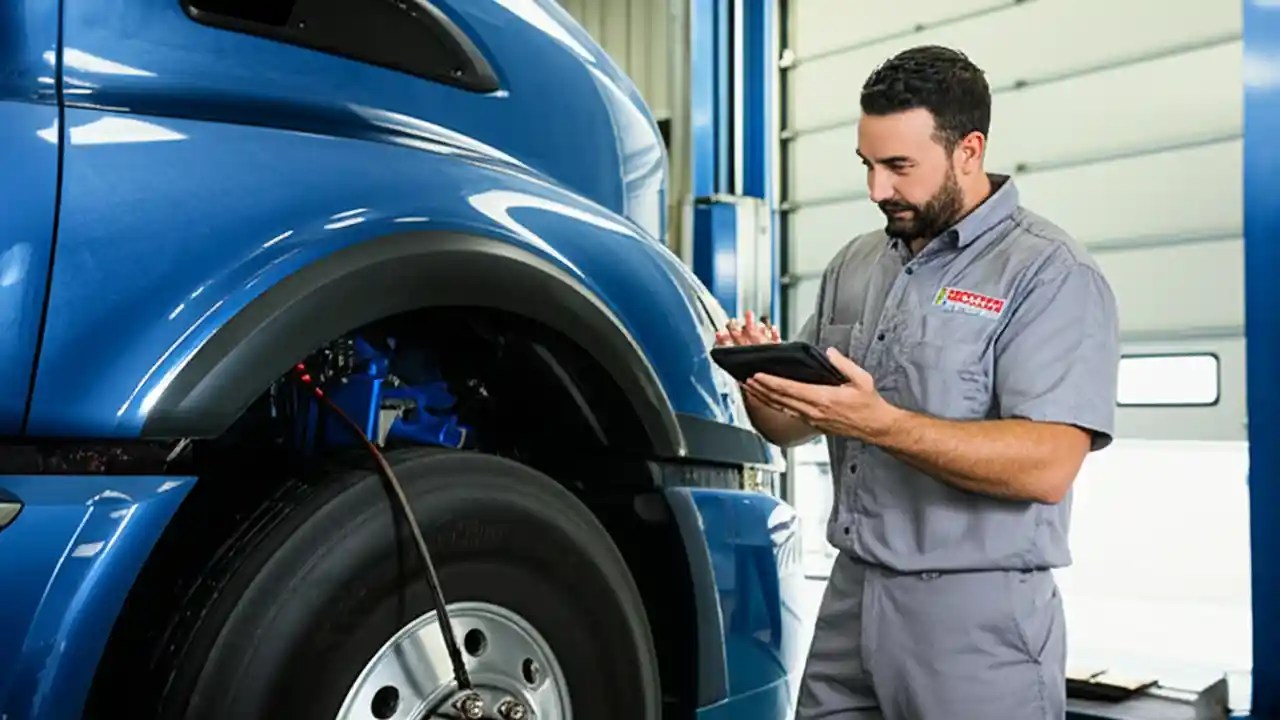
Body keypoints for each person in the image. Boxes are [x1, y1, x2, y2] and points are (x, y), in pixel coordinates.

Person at [715, 45, 1120, 720]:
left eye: (899, 167)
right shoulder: (858, 262)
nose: (877, 190)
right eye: (867, 165)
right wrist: (767, 384)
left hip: (974, 619)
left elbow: (1048, 465)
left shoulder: (1047, 274)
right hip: (851, 599)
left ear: (969, 150)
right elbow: (791, 429)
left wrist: (879, 422)